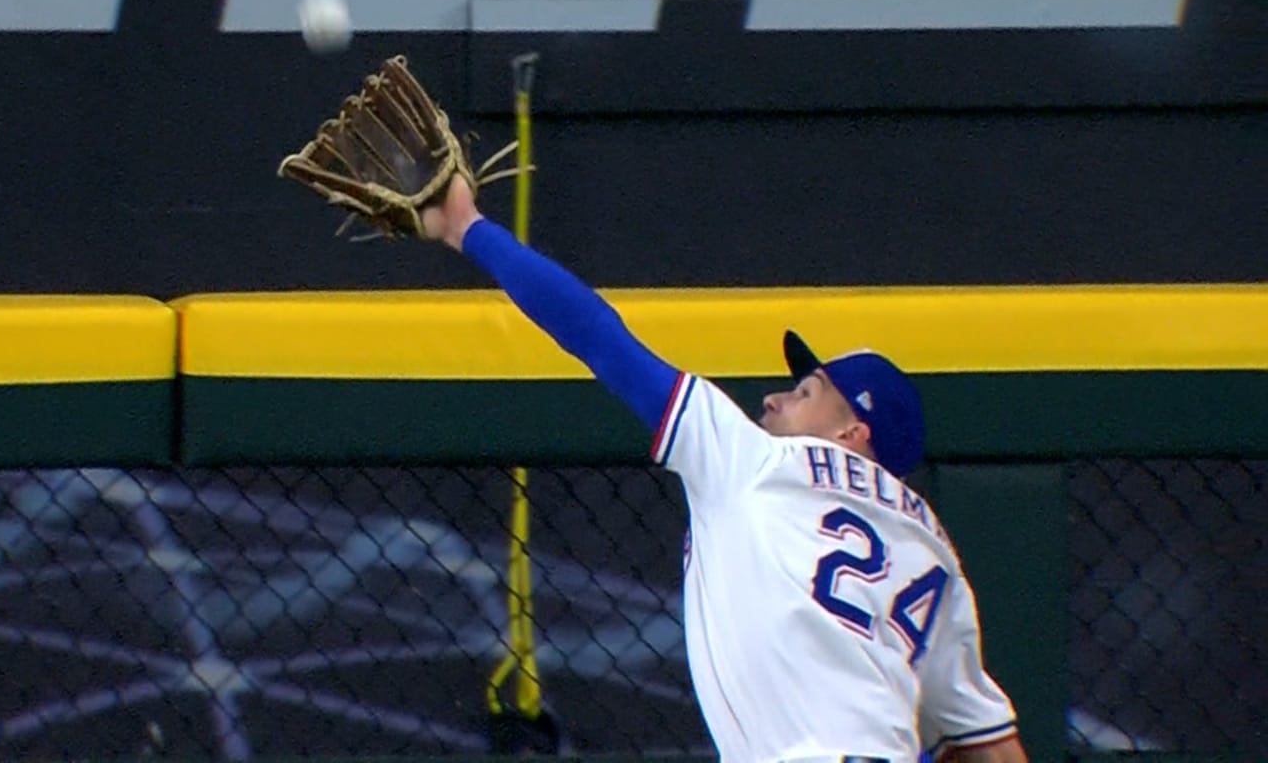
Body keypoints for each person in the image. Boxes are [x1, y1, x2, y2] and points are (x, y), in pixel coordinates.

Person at [418, 174, 1028, 763]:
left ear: (853, 432)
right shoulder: (931, 551)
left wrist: (467, 227)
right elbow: (993, 747)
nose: (775, 399)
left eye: (807, 392)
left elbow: (597, 334)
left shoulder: (754, 459)